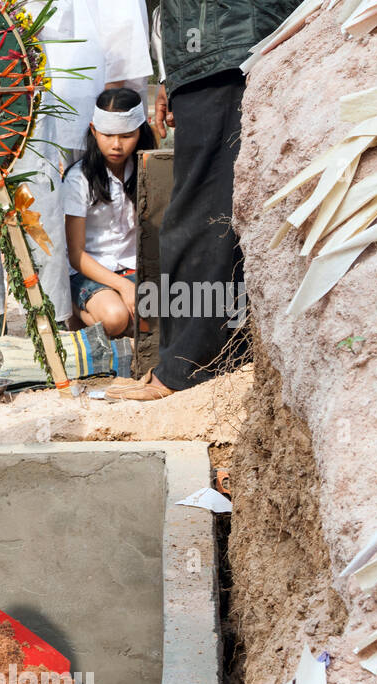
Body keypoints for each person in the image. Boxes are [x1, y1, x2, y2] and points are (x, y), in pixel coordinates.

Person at [106, 0, 297, 401]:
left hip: (229, 48)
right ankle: (220, 360)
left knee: (202, 215)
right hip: (214, 52)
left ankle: (183, 370)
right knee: (225, 212)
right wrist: (174, 77)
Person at [65, 88, 156, 339]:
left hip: (134, 266)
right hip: (89, 271)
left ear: (140, 132)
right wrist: (123, 286)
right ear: (94, 131)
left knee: (172, 310)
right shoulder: (79, 179)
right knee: (116, 318)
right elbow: (76, 255)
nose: (116, 145)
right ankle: (75, 312)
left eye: (127, 136)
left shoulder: (148, 170)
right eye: (107, 135)